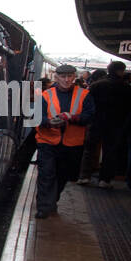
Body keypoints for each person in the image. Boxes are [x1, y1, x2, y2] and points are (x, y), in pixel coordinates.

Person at [35, 63, 95, 218]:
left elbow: (90, 116)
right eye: (63, 76)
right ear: (56, 77)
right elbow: (36, 117)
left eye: (70, 76)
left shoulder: (84, 95)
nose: (67, 80)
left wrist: (72, 118)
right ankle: (43, 208)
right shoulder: (46, 95)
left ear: (75, 77)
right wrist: (48, 122)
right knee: (46, 174)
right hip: (47, 141)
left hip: (71, 144)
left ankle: (52, 200)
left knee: (62, 175)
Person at [89, 60, 131, 187]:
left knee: (90, 148)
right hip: (115, 124)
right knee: (110, 151)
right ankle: (105, 179)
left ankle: (84, 176)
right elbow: (129, 107)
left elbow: (88, 104)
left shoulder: (96, 85)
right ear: (120, 71)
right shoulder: (126, 87)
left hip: (96, 121)